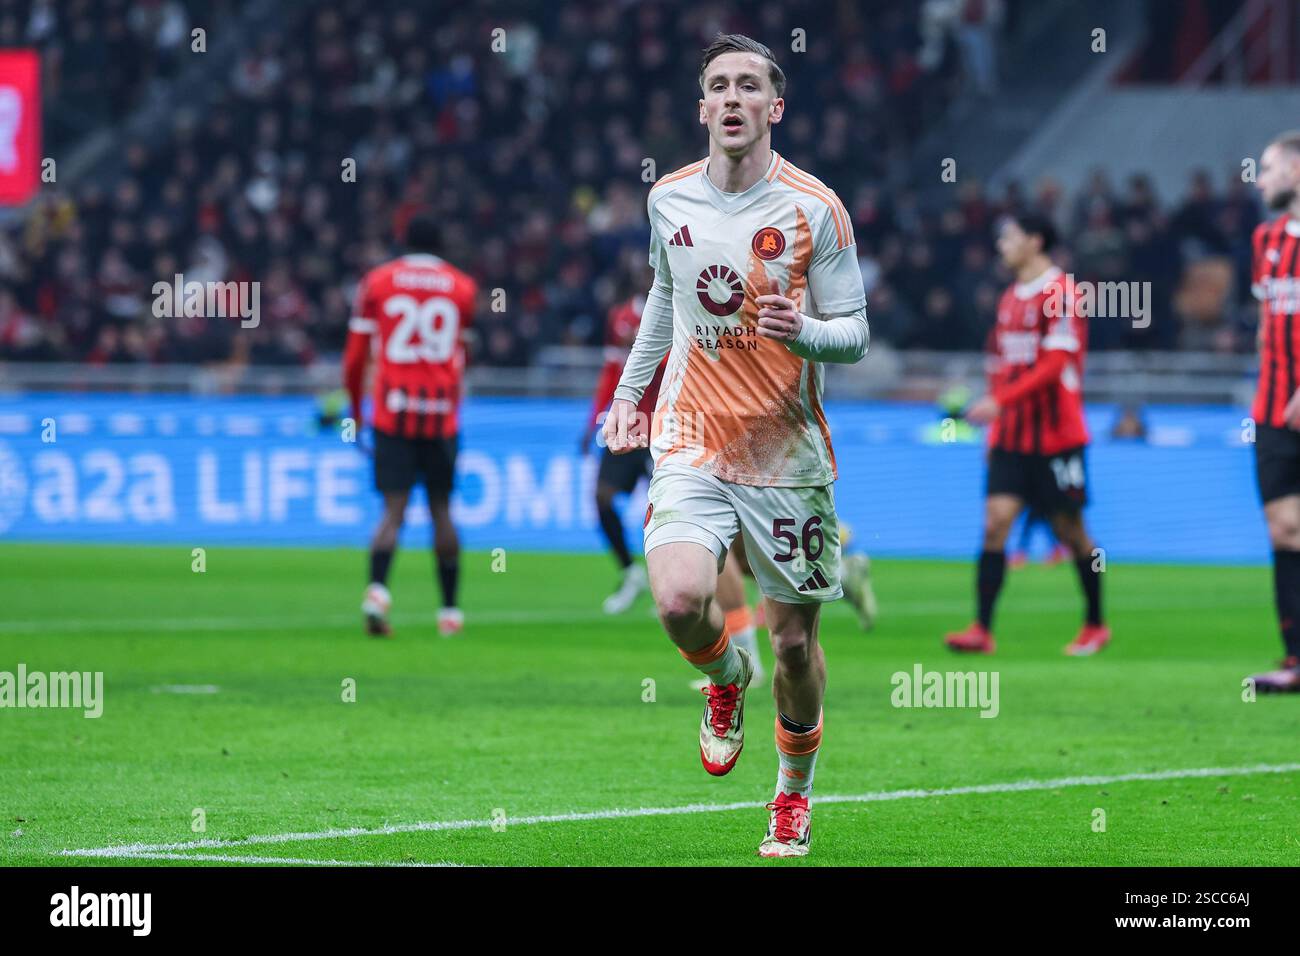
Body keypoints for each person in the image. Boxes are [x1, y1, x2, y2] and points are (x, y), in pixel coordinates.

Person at [603, 34, 869, 857]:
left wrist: (809, 332)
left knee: (794, 642)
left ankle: (793, 796)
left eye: (746, 86)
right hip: (691, 435)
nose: (729, 98)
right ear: (702, 107)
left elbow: (856, 333)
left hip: (786, 454)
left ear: (772, 108)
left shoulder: (814, 208)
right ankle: (724, 679)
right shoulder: (670, 200)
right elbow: (662, 298)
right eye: (716, 85)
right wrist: (627, 395)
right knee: (682, 601)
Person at [945, 213, 1109, 656]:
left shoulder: (1062, 294)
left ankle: (1095, 623)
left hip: (1057, 437)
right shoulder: (1010, 299)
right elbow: (998, 366)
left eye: (1010, 238)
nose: (1002, 245)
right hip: (1012, 438)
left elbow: (1056, 366)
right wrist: (996, 426)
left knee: (1072, 531)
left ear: (1035, 242)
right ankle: (981, 629)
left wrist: (1001, 403)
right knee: (995, 524)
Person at [343, 213, 475, 638]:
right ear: (441, 245)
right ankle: (450, 612)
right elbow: (463, 356)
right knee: (442, 511)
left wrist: (356, 411)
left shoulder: (379, 281)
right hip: (440, 418)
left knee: (392, 513)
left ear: (403, 240)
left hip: (392, 413)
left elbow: (354, 358)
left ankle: (378, 591)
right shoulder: (462, 287)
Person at [1246, 130, 1300, 692]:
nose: (1260, 180)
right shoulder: (1266, 240)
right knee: (1285, 529)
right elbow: (1267, 323)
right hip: (1273, 410)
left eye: (1269, 169)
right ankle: (1295, 661)